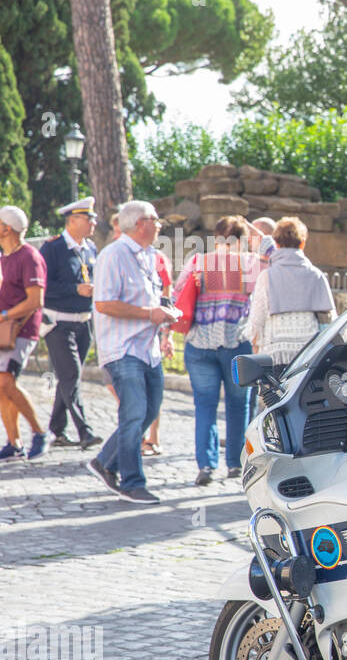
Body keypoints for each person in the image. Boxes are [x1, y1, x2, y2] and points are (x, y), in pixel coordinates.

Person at [86, 200, 178, 504]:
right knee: (135, 412)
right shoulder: (113, 254)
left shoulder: (150, 256)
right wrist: (149, 314)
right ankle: (132, 481)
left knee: (149, 411)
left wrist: (163, 314)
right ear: (140, 223)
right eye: (155, 219)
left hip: (148, 348)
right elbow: (104, 304)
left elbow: (151, 299)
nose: (160, 224)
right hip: (123, 348)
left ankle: (104, 462)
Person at [175, 215, 258, 486]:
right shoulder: (249, 264)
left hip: (200, 343)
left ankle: (206, 466)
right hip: (237, 343)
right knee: (238, 406)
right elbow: (260, 301)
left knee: (205, 406)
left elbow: (177, 295)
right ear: (242, 239)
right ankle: (235, 464)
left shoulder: (199, 262)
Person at [39, 197, 103, 450]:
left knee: (68, 378)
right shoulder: (52, 248)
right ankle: (85, 431)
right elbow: (44, 287)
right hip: (59, 323)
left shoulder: (90, 248)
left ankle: (56, 430)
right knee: (71, 375)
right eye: (89, 219)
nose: (94, 223)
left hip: (84, 323)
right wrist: (76, 289)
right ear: (73, 220)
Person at [245, 216, 336, 367]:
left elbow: (257, 319)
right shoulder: (316, 274)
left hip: (275, 353)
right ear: (302, 243)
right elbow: (329, 318)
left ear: (276, 244)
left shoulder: (267, 276)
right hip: (308, 354)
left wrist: (256, 350)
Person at [0, 205, 50, 460]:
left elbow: (35, 301)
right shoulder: (5, 257)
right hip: (4, 330)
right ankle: (13, 442)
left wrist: (5, 315)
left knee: (6, 381)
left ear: (7, 228)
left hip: (20, 330)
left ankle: (40, 432)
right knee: (1, 387)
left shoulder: (29, 256)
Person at [141, 244, 172, 456]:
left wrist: (166, 334)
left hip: (152, 332)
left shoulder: (157, 258)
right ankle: (139, 436)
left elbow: (167, 296)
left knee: (153, 391)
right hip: (126, 336)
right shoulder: (118, 254)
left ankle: (153, 437)